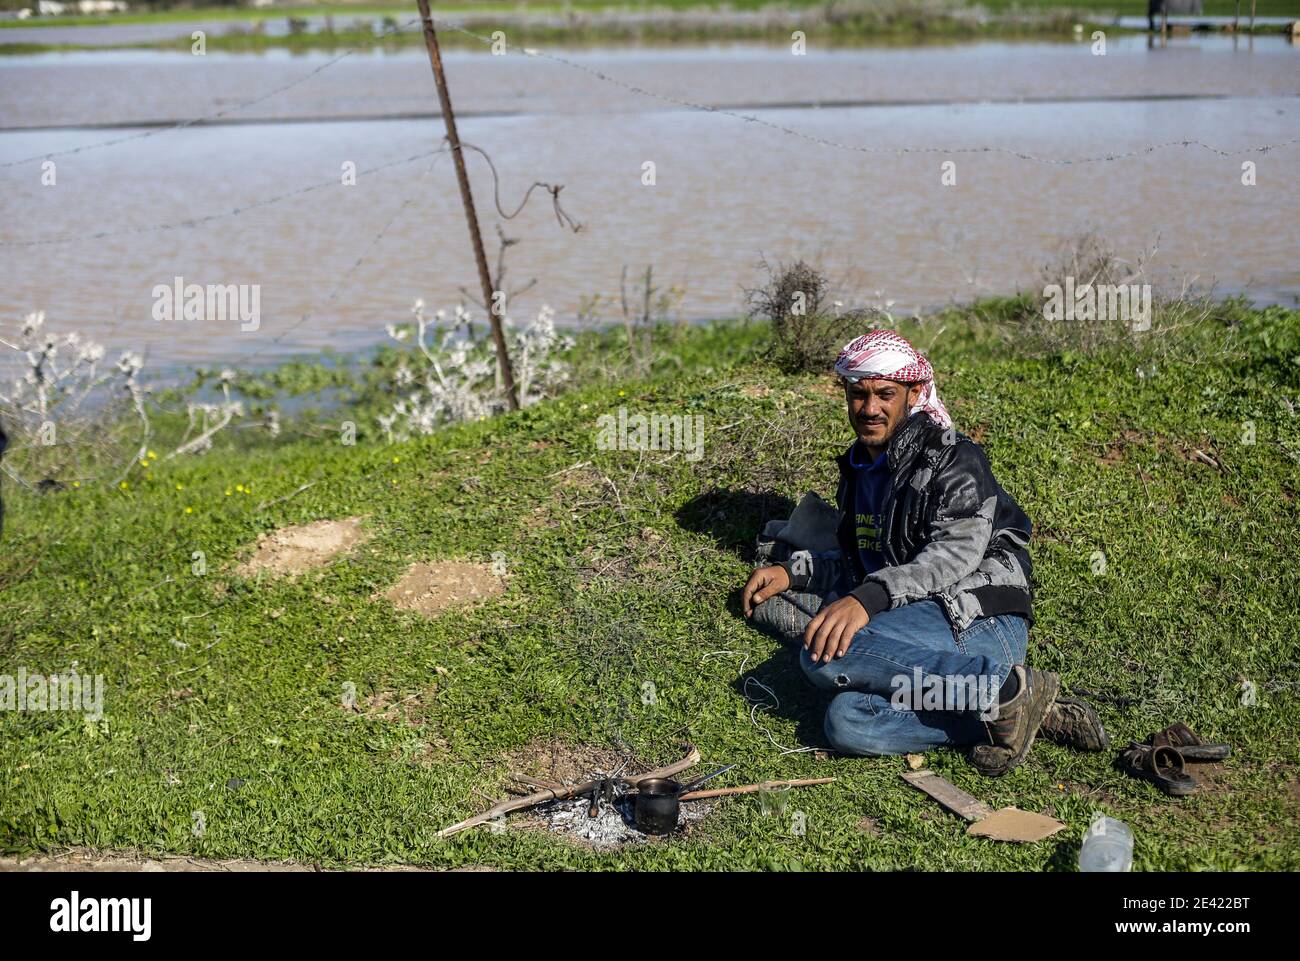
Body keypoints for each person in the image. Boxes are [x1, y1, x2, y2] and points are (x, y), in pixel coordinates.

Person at [742, 330, 1107, 775]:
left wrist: (865, 600)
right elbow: (869, 561)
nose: (869, 408)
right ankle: (1013, 708)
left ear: (913, 393)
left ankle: (1006, 687)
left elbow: (953, 557)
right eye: (858, 395)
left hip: (981, 620)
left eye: (884, 394)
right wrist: (795, 572)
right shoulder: (859, 470)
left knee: (824, 654)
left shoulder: (954, 458)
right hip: (918, 624)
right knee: (847, 721)